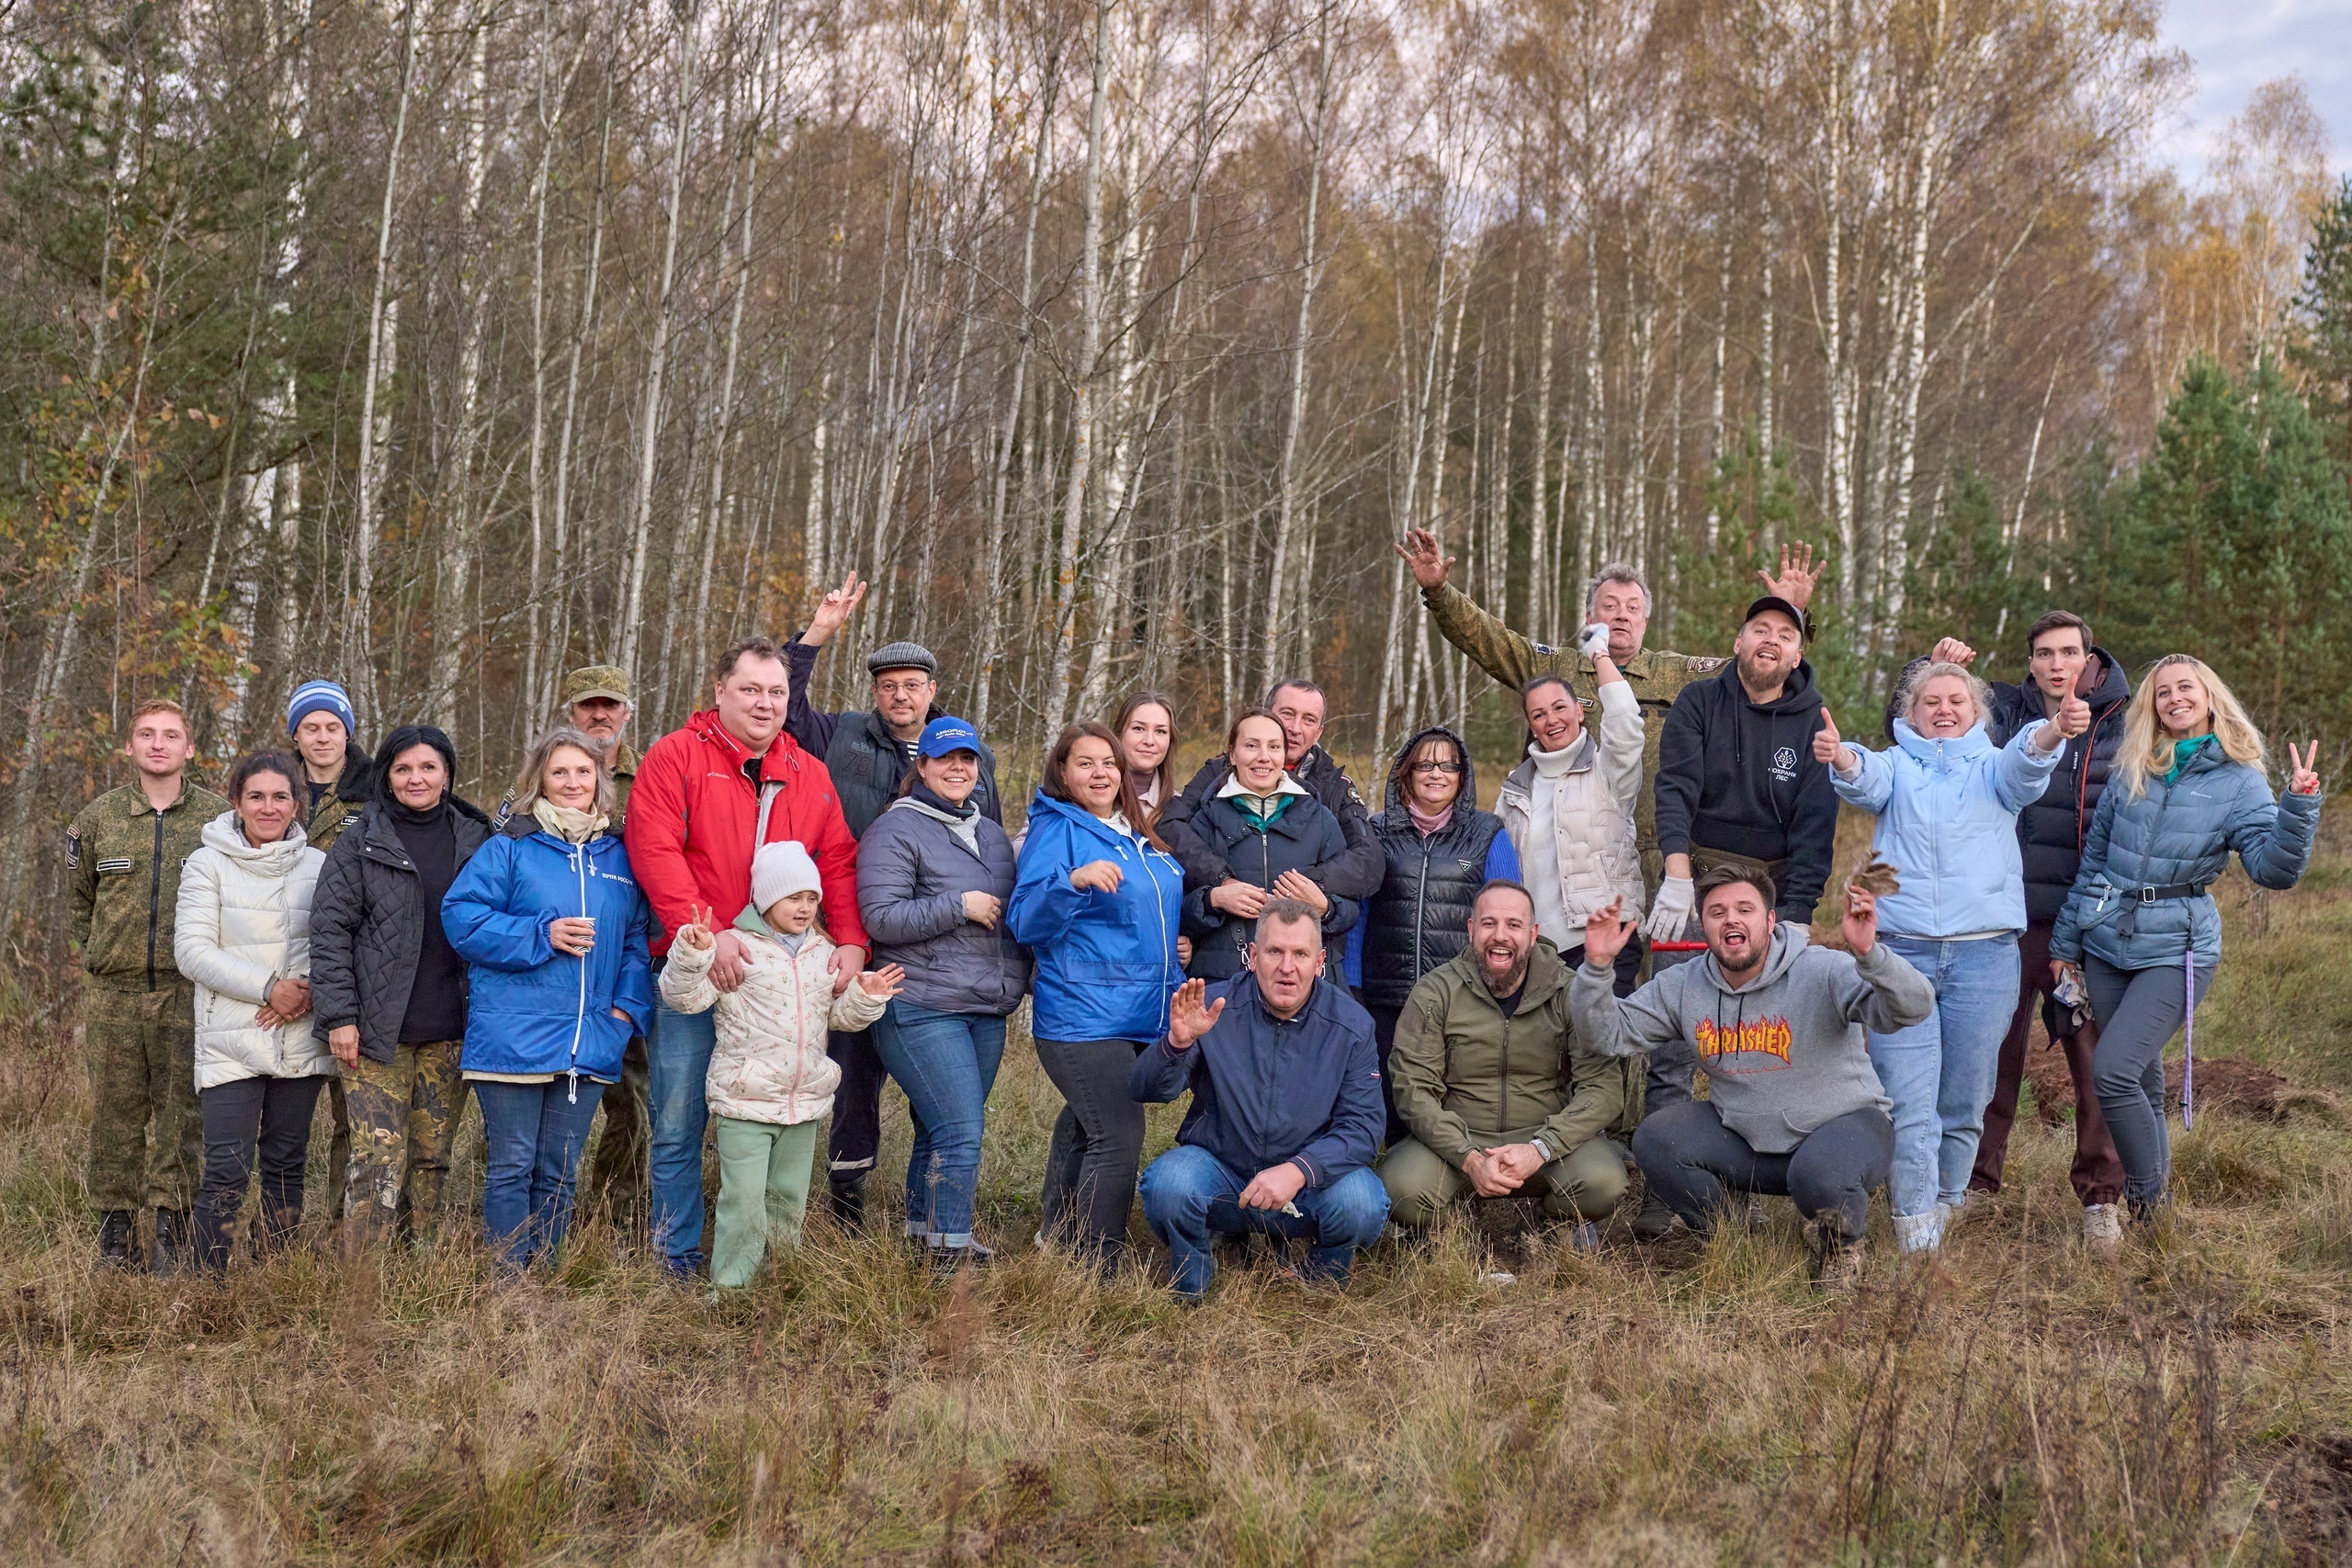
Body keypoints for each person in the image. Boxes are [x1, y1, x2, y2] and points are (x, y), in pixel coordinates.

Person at [2051, 656, 2322, 1232]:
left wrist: (2297, 805)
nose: (2175, 699)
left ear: (2209, 697)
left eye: (2186, 689)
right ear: (2152, 705)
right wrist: (2067, 942)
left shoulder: (2239, 778)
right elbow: (2095, 860)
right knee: (2142, 1079)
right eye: (2163, 692)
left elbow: (2273, 870)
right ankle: (2158, 1222)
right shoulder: (2135, 767)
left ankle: (2150, 1209)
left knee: (2115, 1071)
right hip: (2106, 940)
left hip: (2178, 946)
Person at [625, 637, 867, 1279]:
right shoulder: (675, 757)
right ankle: (677, 1252)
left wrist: (849, 939)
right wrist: (710, 932)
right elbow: (655, 850)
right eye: (752, 689)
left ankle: (767, 1262)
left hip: (778, 980)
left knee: (777, 1118)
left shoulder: (808, 772)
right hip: (699, 962)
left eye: (777, 692)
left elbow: (837, 860)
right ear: (720, 690)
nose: (765, 703)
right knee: (678, 1117)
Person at [1396, 532, 1823, 895]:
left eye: (1633, 607)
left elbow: (1761, 665)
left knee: (1660, 972)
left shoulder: (1677, 675)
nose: (1621, 615)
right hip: (1575, 855)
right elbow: (1490, 641)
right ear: (1589, 618)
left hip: (1661, 853)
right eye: (1610, 606)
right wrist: (1439, 593)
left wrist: (1792, 613)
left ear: (1645, 622)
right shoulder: (1558, 668)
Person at [1815, 660, 2077, 1252]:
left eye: (1956, 700)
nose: (1944, 709)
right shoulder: (1895, 765)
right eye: (1930, 701)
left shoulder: (1992, 767)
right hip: (1901, 956)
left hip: (1985, 957)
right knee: (1908, 1100)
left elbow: (2026, 761)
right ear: (1910, 715)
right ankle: (1915, 1229)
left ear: (1976, 713)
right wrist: (1840, 755)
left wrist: (2056, 729)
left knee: (1963, 1099)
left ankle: (1948, 1200)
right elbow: (1864, 777)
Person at [1569, 865, 1935, 1289]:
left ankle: (1841, 1244)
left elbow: (1914, 1007)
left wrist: (1870, 955)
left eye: (1745, 909)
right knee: (1656, 1139)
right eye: (1717, 912)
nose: (1731, 920)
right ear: (1703, 925)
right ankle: (1733, 1234)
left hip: (1846, 1130)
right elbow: (1605, 1035)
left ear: (1770, 920)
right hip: (1749, 1140)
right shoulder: (1684, 985)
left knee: (1819, 1176)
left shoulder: (1823, 970)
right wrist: (1596, 967)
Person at [784, 572, 1001, 1231]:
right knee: (854, 1077)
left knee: (939, 1085)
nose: (900, 695)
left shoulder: (965, 756)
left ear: (931, 692)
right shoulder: (841, 735)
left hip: (938, 954)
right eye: (888, 686)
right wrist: (816, 636)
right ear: (874, 693)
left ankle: (925, 1210)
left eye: (912, 685)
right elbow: (784, 708)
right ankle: (847, 1201)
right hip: (854, 933)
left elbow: (990, 853)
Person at [1939, 616, 2132, 1247]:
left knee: (2094, 1060)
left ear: (2090, 657)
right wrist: (1936, 662)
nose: (2058, 665)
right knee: (1991, 1050)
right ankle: (1972, 1180)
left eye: (2069, 652)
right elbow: (1921, 724)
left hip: (2086, 919)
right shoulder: (2000, 712)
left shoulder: (2123, 723)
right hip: (2005, 912)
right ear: (2030, 662)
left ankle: (2104, 1197)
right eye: (2045, 654)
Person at [441, 728, 654, 1271]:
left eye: (583, 772)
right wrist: (543, 935)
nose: (572, 783)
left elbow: (634, 941)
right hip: (513, 1037)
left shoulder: (619, 856)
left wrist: (625, 1014)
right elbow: (461, 918)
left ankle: (546, 1275)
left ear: (600, 781)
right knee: (512, 1165)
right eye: (559, 772)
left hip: (589, 1039)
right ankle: (507, 1283)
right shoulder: (510, 847)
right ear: (540, 779)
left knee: (559, 1170)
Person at [659, 843, 901, 1288]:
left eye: (812, 898)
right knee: (744, 1201)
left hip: (803, 1101)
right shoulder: (738, 948)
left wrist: (866, 996)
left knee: (788, 1200)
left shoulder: (820, 952)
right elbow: (684, 998)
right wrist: (692, 956)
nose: (806, 907)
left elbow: (838, 1018)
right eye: (794, 898)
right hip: (746, 1101)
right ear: (767, 899)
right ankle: (731, 1289)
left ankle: (780, 1280)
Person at [1133, 906, 1390, 1300]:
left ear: (1319, 962)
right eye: (1275, 952)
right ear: (1253, 956)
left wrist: (1299, 1170)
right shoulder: (1213, 1008)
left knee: (1364, 1202)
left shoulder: (1352, 1025)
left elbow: (1364, 1127)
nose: (1287, 967)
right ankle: (1191, 1281)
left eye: (1300, 954)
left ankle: (1319, 1281)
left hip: (1306, 1187)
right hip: (1225, 1174)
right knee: (1168, 1184)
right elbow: (1147, 1090)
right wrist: (1175, 1045)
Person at [1008, 722, 1186, 1273]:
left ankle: (1058, 1235)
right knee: (1118, 1131)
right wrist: (1072, 882)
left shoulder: (1135, 832)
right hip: (1084, 1015)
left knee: (1087, 1122)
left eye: (1108, 762)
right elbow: (1024, 920)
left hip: (1140, 1010)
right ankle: (1098, 1263)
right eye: (1085, 763)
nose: (1100, 772)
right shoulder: (1057, 832)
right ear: (1062, 773)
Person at [856, 716, 1033, 1272]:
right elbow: (880, 917)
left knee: (939, 1128)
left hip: (984, 1006)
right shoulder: (896, 828)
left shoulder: (991, 834)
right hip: (920, 1003)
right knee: (960, 1129)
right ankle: (949, 1256)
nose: (958, 768)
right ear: (923, 766)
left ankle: (922, 1236)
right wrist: (959, 906)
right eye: (945, 758)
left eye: (967, 758)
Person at [309, 725, 492, 1248]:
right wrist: (340, 1016)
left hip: (453, 1028)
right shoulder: (360, 839)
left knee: (432, 1155)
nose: (417, 778)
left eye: (428, 767)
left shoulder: (476, 838)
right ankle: (363, 1276)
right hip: (375, 1033)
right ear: (386, 776)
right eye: (403, 768)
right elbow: (328, 930)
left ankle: (421, 1263)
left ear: (447, 774)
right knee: (376, 1157)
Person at [1378, 882, 1637, 1247]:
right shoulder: (1435, 992)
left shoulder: (1569, 991)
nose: (1500, 936)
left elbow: (1603, 1089)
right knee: (1400, 1189)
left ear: (1533, 935)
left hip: (1544, 1141)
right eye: (1488, 924)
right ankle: (1454, 1228)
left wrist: (1540, 1148)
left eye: (1514, 925)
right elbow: (1412, 1089)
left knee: (1604, 1183)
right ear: (1471, 930)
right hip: (1459, 1144)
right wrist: (1468, 1158)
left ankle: (1549, 1226)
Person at [492, 665, 651, 1243]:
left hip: (625, 965)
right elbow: (502, 858)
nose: (600, 715)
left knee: (635, 1101)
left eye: (611, 705)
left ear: (627, 712)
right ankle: (516, 1239)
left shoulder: (651, 775)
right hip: (540, 989)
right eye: (589, 706)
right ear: (572, 714)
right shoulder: (528, 789)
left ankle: (618, 1216)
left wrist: (628, 1001)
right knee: (528, 1128)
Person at [67, 699, 227, 1272]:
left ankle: (173, 1230)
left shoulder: (216, 820)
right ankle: (115, 1235)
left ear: (189, 749)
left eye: (171, 735)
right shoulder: (97, 819)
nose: (158, 744)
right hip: (113, 995)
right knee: (115, 1115)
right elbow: (79, 902)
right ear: (129, 748)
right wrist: (106, 956)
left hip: (189, 991)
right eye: (145, 734)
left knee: (183, 1114)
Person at [174, 750, 329, 1272]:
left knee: (287, 1163)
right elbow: (192, 951)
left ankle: (276, 1279)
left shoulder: (319, 865)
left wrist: (304, 991)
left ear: (297, 802)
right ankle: (204, 1286)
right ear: (236, 802)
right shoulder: (206, 862)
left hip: (300, 1032)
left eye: (280, 797)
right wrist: (269, 989)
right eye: (256, 797)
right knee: (227, 1168)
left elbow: (333, 942)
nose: (268, 807)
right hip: (231, 1036)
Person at [1343, 726, 1519, 1145]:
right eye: (1424, 764)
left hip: (1458, 995)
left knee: (1451, 1093)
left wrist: (1502, 985)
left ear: (1463, 775)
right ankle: (1393, 1174)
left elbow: (1507, 914)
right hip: (1386, 994)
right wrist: (1353, 985)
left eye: (1447, 765)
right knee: (1389, 1094)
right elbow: (1360, 912)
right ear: (1407, 772)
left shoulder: (1487, 833)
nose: (1436, 773)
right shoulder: (1378, 831)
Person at [1648, 594, 1838, 940]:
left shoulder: (1815, 725)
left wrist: (1798, 914)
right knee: (1677, 993)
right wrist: (1677, 880)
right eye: (1760, 630)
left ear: (1797, 657)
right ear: (1739, 643)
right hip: (1694, 891)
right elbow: (1675, 791)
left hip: (1772, 902)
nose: (1771, 640)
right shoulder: (1697, 702)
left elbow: (1815, 827)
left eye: (1784, 635)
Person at [1156, 678, 1383, 906]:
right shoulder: (1220, 772)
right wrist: (1221, 879)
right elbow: (1171, 826)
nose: (1295, 728)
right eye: (1287, 714)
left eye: (1309, 720)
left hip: (1308, 928)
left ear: (1318, 733)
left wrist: (1309, 885)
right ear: (1268, 715)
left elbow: (1369, 861)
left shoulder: (1335, 786)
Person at [1177, 710, 1362, 981]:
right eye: (1251, 745)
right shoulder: (1204, 819)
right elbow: (1178, 910)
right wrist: (1213, 899)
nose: (1263, 756)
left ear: (1284, 755)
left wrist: (1325, 908)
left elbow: (1351, 911)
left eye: (1274, 747)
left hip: (1301, 983)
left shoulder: (1320, 819)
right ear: (1232, 754)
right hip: (1223, 983)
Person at [1498, 666, 1646, 993]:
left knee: (1600, 1042)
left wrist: (1601, 656)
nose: (1551, 719)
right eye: (1539, 714)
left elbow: (1625, 727)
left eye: (1560, 707)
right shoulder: (1514, 790)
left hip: (1607, 940)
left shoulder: (1608, 771)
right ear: (1532, 727)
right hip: (1540, 952)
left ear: (1579, 710)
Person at [287, 678, 369, 1229]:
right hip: (280, 966)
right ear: (295, 735)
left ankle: (342, 1225)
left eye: (332, 727)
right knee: (283, 1111)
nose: (322, 737)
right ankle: (277, 1224)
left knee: (353, 1114)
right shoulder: (272, 788)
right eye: (310, 727)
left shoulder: (373, 793)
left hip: (350, 970)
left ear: (348, 733)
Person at [1113, 691, 1179, 827]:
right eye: (1138, 728)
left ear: (1170, 740)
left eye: (1160, 731)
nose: (1149, 741)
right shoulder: (1092, 794)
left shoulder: (1179, 808)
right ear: (1119, 735)